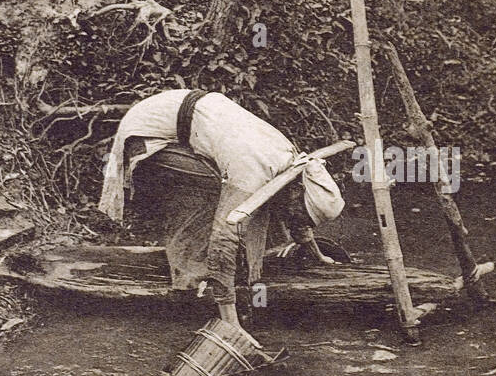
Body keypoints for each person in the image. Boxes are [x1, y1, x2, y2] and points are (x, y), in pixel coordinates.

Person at [99, 88, 345, 327]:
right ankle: (191, 276)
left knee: (245, 199)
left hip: (185, 119)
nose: (296, 220)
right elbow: (224, 236)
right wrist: (230, 321)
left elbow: (295, 213)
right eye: (299, 214)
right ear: (296, 193)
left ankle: (210, 269)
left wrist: (317, 255)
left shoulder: (292, 161)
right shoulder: (253, 170)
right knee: (217, 195)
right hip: (146, 135)